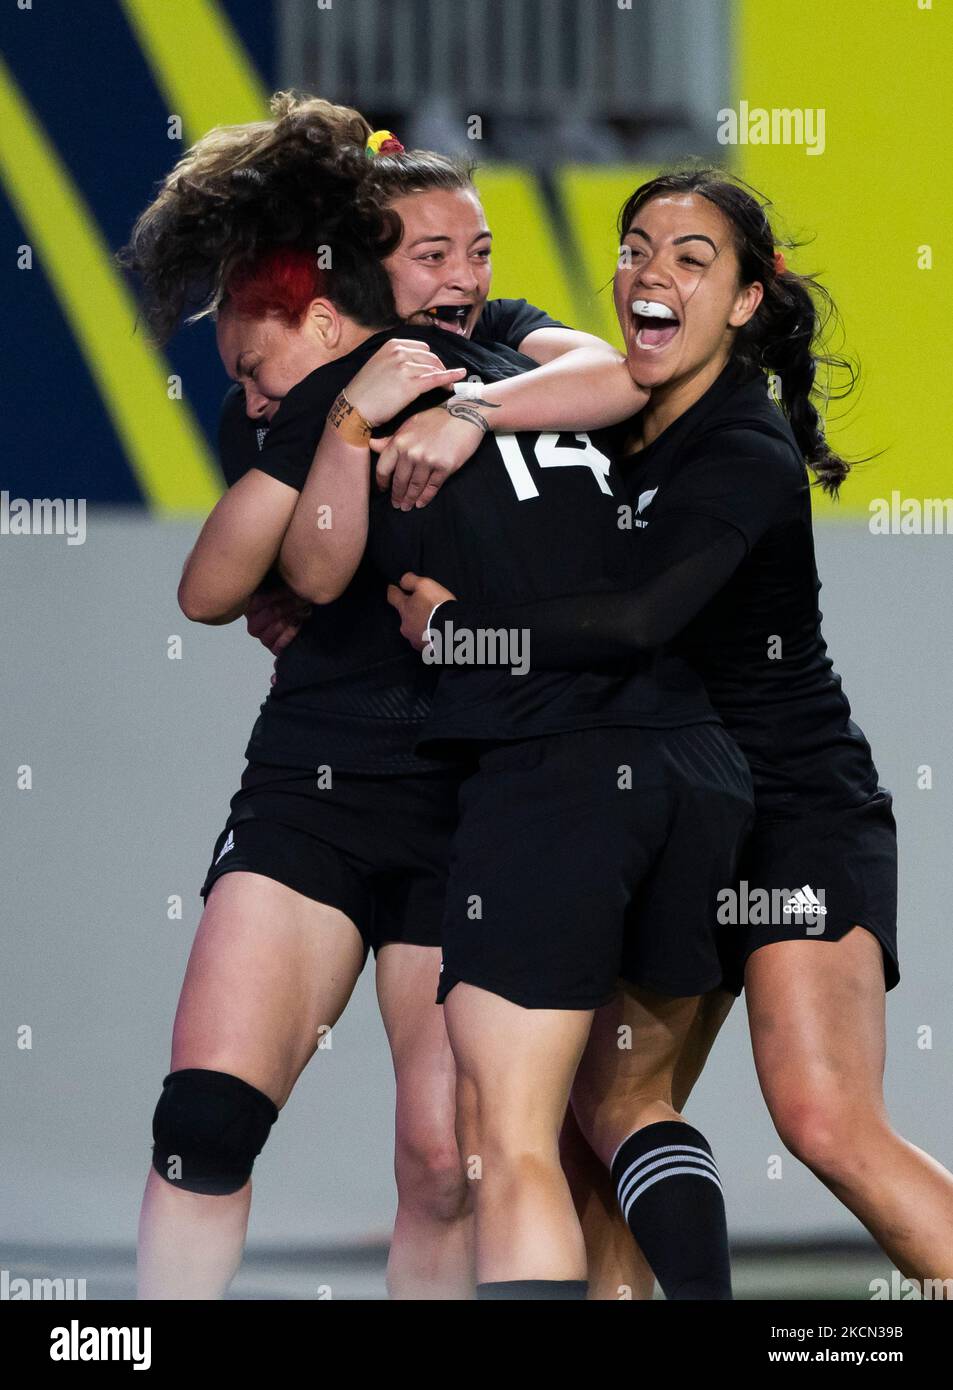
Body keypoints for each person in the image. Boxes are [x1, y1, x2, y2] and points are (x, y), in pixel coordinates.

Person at [390, 169, 953, 1285]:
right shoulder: (601, 411)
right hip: (676, 810)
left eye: (692, 260)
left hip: (793, 817)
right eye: (635, 247)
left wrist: (465, 632)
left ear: (745, 301)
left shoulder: (741, 450)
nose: (651, 273)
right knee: (598, 1121)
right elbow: (500, 352)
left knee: (822, 1119)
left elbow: (639, 617)